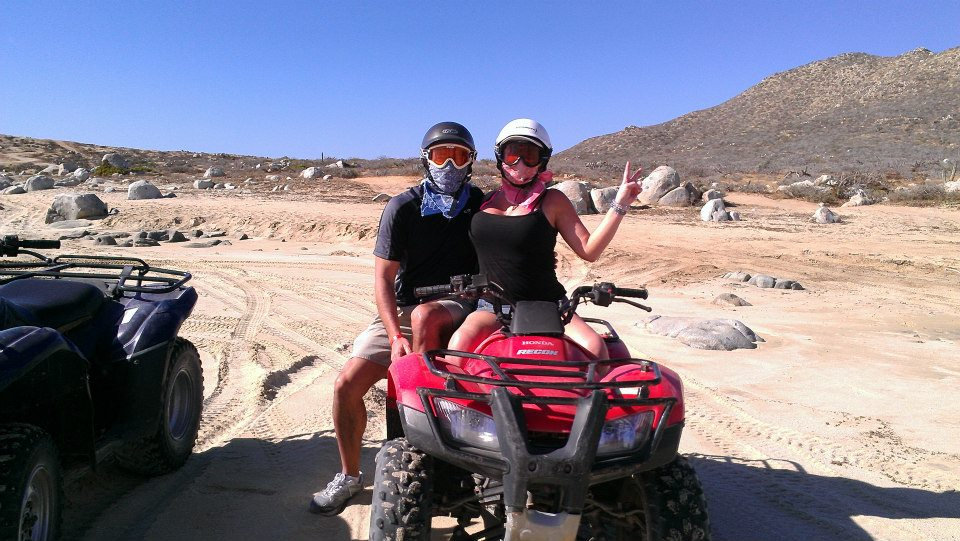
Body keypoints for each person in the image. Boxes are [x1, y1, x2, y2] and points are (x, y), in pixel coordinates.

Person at [309, 121, 484, 515]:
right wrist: (392, 334)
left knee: (429, 342)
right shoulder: (403, 208)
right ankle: (350, 476)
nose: (451, 165)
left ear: (472, 161)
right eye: (442, 155)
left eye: (460, 156)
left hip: (458, 311)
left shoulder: (479, 206)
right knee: (345, 386)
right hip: (403, 310)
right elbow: (383, 280)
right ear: (426, 160)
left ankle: (438, 467)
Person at [447, 118, 643, 359]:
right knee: (458, 346)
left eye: (530, 155)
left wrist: (620, 204)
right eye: (512, 154)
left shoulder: (553, 201)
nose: (520, 163)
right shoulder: (481, 201)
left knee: (595, 349)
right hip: (493, 306)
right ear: (500, 157)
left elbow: (589, 250)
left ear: (542, 160)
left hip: (549, 304)